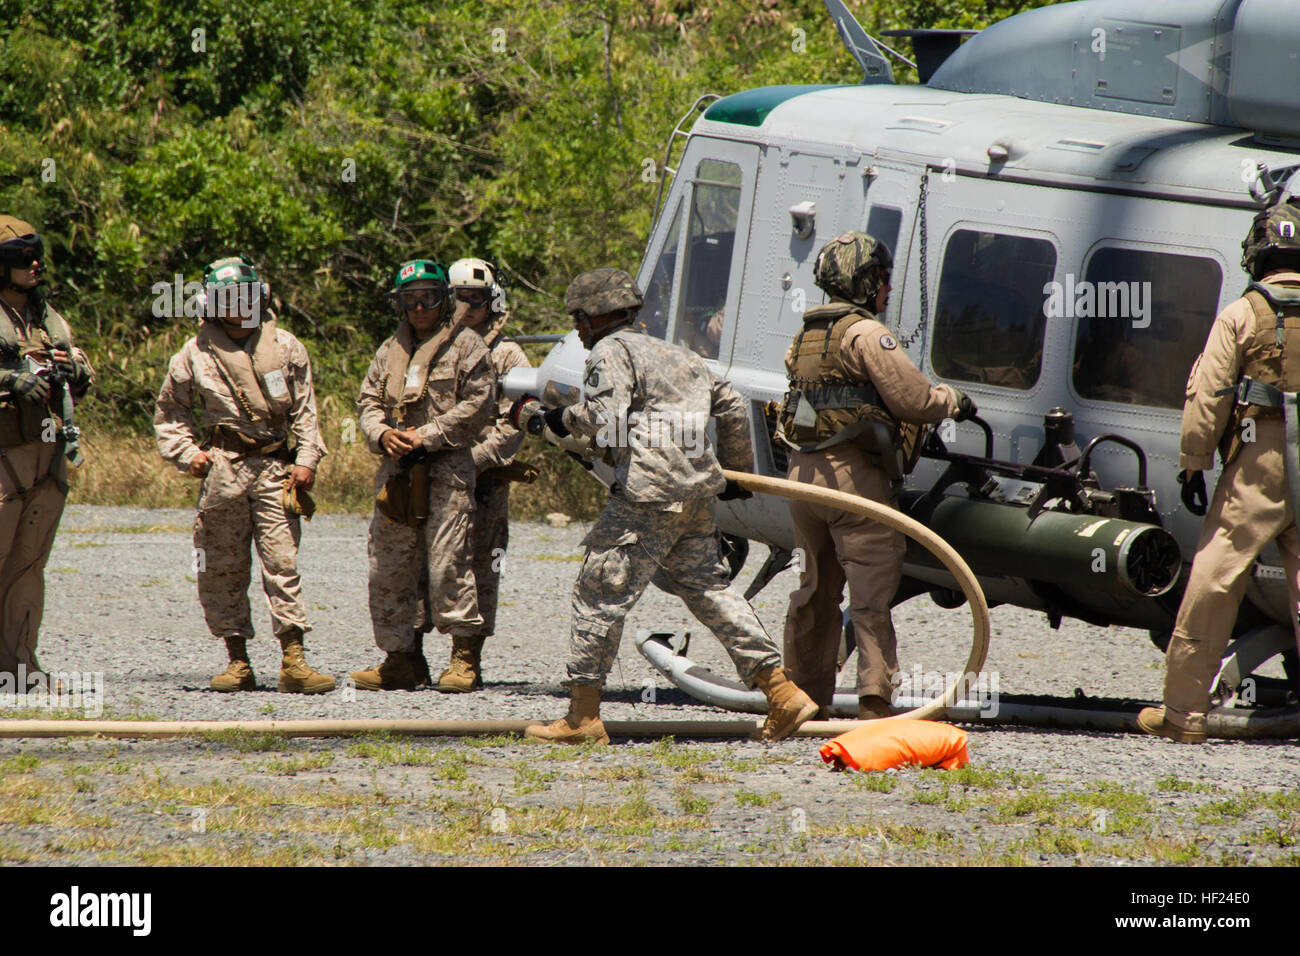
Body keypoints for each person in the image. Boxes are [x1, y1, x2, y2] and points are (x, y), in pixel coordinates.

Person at [519, 267, 817, 744]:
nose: (576, 327)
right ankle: (782, 694)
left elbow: (601, 418)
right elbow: (734, 406)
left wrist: (554, 418)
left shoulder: (610, 351)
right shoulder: (680, 355)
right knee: (709, 590)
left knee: (600, 592)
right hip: (696, 495)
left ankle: (582, 718)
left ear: (599, 315)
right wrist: (734, 479)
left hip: (647, 496)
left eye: (578, 317)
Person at [776, 232, 974, 719]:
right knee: (869, 599)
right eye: (882, 281)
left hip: (801, 482)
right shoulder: (867, 336)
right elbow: (915, 401)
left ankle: (803, 700)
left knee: (814, 591)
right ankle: (874, 703)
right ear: (864, 282)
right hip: (854, 485)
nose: (886, 291)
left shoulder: (803, 338)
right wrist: (955, 401)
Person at [1139, 199, 1300, 743]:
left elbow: (1207, 396)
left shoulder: (1241, 313)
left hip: (1257, 466)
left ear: (1258, 252)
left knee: (1213, 583)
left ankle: (1184, 714)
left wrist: (1193, 463)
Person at [155, 256, 333, 693]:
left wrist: (307, 459)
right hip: (223, 469)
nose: (238, 306)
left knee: (282, 563)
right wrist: (188, 454)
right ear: (212, 303)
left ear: (261, 295)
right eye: (228, 298)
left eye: (245, 295)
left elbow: (306, 411)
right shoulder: (193, 354)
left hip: (276, 467)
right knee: (221, 566)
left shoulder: (288, 347)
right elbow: (169, 414)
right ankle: (237, 661)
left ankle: (294, 660)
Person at [353, 259, 493, 690]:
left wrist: (426, 435)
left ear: (444, 300)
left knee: (450, 563)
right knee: (390, 565)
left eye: (429, 298)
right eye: (410, 300)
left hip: (447, 470)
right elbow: (367, 403)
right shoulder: (388, 350)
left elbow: (478, 405)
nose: (419, 308)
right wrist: (381, 435)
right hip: (396, 474)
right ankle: (401, 658)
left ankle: (463, 659)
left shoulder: (468, 347)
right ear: (399, 304)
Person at [0, 216, 93, 684]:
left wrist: (74, 370)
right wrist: (8, 379)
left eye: (37, 256)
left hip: (46, 457)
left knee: (28, 566)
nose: (35, 264)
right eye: (22, 258)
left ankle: (17, 666)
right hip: (3, 457)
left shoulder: (47, 316)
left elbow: (82, 366)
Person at [434, 257, 533, 692]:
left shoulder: (508, 354)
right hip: (429, 477)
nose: (465, 307)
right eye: (457, 298)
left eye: (475, 298)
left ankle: (466, 657)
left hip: (483, 480)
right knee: (424, 564)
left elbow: (518, 421)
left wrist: (472, 459)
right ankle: (405, 656)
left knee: (478, 566)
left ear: (491, 300)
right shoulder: (430, 347)